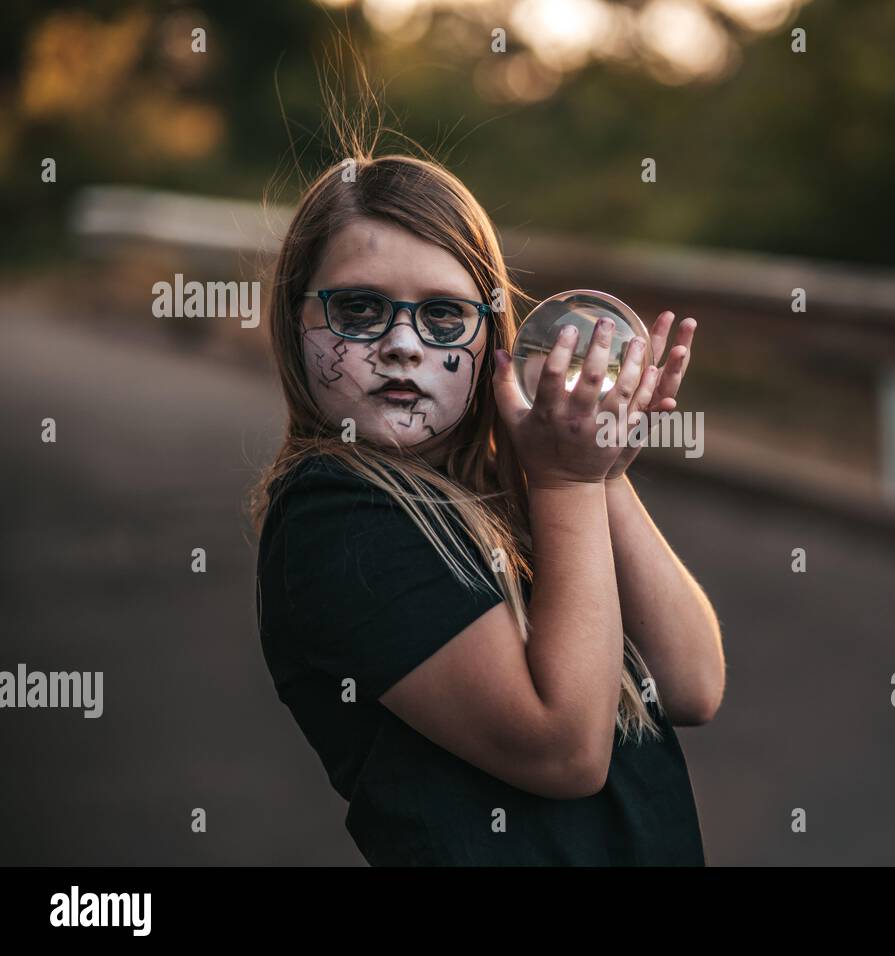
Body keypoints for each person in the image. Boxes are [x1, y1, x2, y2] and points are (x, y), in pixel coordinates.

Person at [249, 149, 725, 866]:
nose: (403, 345)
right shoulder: (333, 520)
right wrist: (568, 484)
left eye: (443, 315)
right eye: (358, 308)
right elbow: (565, 751)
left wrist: (598, 471)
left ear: (491, 338)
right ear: (296, 322)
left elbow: (693, 684)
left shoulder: (522, 486)